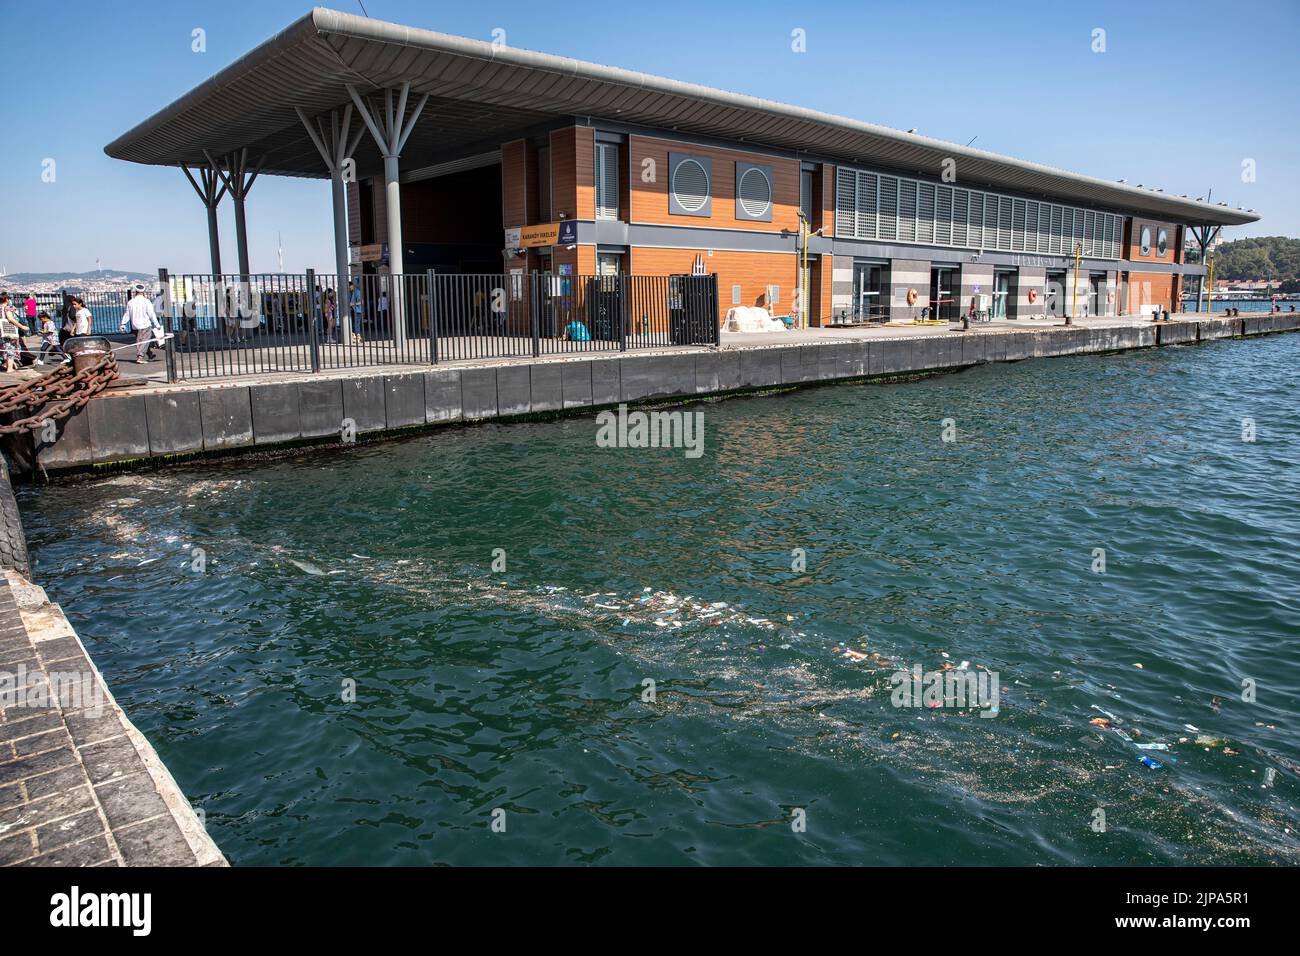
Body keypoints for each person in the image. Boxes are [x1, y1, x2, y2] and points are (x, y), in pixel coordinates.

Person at [119, 285, 160, 364]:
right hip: (145, 324)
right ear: (143, 292)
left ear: (136, 291)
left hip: (135, 325)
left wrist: (123, 324)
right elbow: (151, 314)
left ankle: (149, 354)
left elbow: (127, 314)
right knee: (144, 340)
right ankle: (140, 357)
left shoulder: (130, 302)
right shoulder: (146, 301)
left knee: (142, 340)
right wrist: (157, 325)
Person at [0, 293, 31, 372]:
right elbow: (10, 319)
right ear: (6, 299)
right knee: (10, 347)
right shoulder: (7, 308)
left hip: (1, 331)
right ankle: (10, 368)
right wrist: (22, 326)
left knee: (4, 348)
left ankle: (7, 366)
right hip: (8, 329)